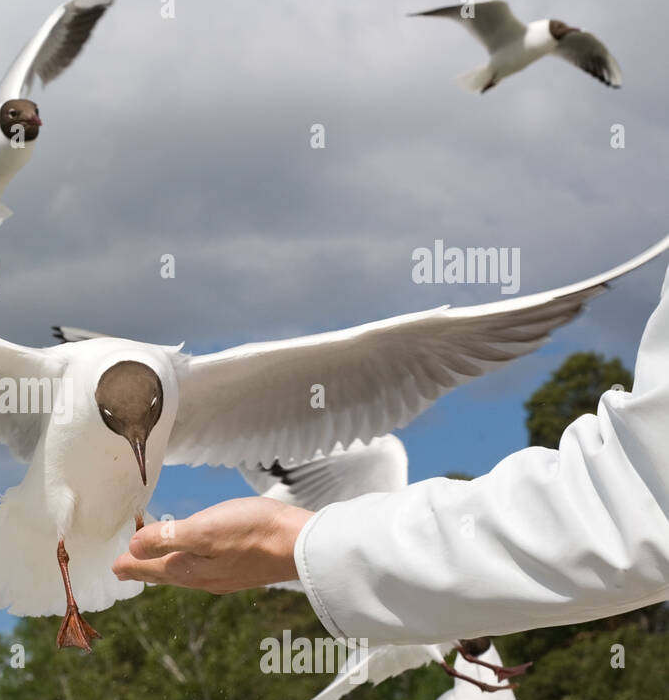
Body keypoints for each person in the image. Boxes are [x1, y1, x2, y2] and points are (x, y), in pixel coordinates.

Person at [113, 270, 669, 645]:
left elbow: (632, 507)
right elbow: (633, 506)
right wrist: (294, 545)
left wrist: (291, 544)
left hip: (338, 565)